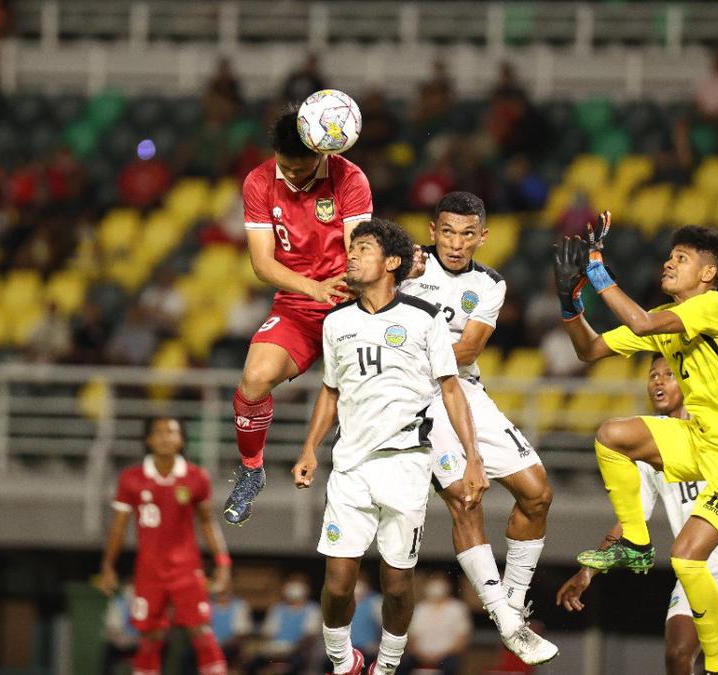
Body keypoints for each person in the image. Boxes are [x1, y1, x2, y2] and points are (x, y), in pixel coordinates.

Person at [553, 215, 718, 675]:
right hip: (701, 439)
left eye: (682, 258)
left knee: (685, 555)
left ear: (708, 274)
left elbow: (639, 320)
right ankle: (635, 541)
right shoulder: (672, 323)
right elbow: (590, 351)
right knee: (611, 435)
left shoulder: (713, 307)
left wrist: (597, 270)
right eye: (670, 255)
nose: (669, 263)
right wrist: (569, 303)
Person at [291, 219, 486, 675]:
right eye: (351, 248)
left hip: (406, 466)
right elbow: (330, 391)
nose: (351, 256)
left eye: (363, 248)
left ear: (392, 262)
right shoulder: (336, 322)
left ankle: (388, 665)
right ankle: (343, 662)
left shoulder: (423, 319)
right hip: (351, 467)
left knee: (397, 584)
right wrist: (309, 449)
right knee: (339, 583)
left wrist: (472, 458)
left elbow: (452, 391)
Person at [556, 355, 718, 675]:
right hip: (697, 567)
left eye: (668, 374)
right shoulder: (648, 450)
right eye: (652, 376)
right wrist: (587, 572)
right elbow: (629, 520)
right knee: (677, 654)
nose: (658, 381)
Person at [400, 192, 558, 663]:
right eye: (447, 231)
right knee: (466, 499)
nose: (456, 242)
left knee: (538, 492)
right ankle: (506, 620)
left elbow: (467, 352)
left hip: (464, 389)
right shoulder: (404, 265)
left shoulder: (490, 284)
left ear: (482, 237)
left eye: (467, 234)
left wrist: (421, 344)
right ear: (432, 232)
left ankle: (512, 601)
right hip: (414, 396)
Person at [225, 105, 373, 525]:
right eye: (285, 167)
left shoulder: (350, 179)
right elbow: (261, 264)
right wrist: (312, 288)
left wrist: (343, 289)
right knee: (254, 379)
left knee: (363, 399)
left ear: (322, 154)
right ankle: (252, 471)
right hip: (298, 303)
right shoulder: (258, 181)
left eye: (302, 168)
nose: (292, 175)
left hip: (351, 302)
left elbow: (358, 249)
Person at [99, 416, 232, 675]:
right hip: (149, 571)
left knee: (201, 632)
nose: (165, 437)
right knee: (150, 637)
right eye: (158, 432)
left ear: (181, 440)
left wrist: (223, 564)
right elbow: (118, 527)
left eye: (171, 432)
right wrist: (107, 566)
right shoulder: (131, 478)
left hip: (187, 569)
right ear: (148, 440)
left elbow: (207, 523)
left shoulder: (196, 477)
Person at [253, 574, 322, 674]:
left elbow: (310, 635)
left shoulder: (313, 610)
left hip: (300, 653)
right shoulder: (277, 609)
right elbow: (268, 633)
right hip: (275, 653)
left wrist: (293, 648)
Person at [406, 572, 472, 675]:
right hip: (420, 656)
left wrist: (440, 656)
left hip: (447, 656)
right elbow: (412, 637)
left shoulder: (457, 609)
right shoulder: (420, 609)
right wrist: (422, 655)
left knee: (450, 665)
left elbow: (462, 638)